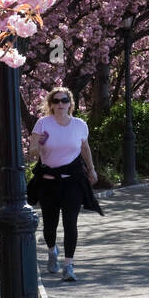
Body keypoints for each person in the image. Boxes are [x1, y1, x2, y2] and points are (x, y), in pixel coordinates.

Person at [27, 87, 103, 282]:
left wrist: (92, 169)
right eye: (56, 101)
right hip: (48, 182)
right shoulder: (43, 123)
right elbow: (32, 153)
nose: (60, 104)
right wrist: (39, 145)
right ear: (51, 105)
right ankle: (52, 251)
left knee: (71, 223)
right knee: (50, 225)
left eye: (64, 100)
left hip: (72, 181)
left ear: (70, 103)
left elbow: (84, 148)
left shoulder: (79, 125)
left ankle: (69, 265)